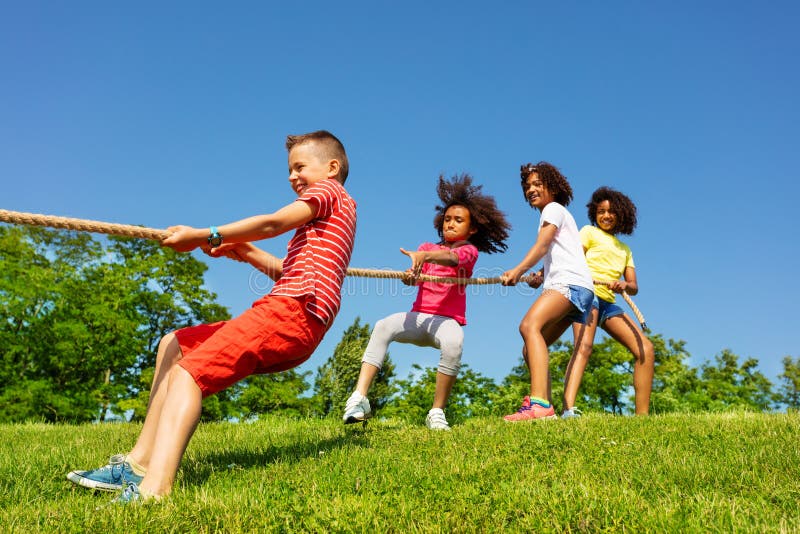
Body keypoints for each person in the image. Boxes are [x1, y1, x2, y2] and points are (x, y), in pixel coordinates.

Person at [66, 130, 356, 503]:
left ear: (331, 168)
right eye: (289, 170)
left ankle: (155, 490)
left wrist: (208, 234)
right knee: (176, 345)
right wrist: (246, 251)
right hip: (295, 315)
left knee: (188, 374)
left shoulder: (329, 193)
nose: (291, 177)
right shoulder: (327, 224)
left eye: (300, 166)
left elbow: (273, 223)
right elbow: (289, 272)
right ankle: (137, 464)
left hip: (292, 312)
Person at [343, 174, 510, 430]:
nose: (450, 224)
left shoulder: (468, 251)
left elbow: (452, 259)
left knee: (455, 342)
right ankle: (359, 398)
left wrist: (425, 256)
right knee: (383, 326)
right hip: (419, 318)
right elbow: (416, 277)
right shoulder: (426, 247)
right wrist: (411, 276)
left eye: (458, 220)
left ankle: (436, 412)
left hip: (446, 323)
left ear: (472, 228)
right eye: (447, 219)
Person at [501, 162, 594, 422]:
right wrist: (540, 276)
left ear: (552, 186)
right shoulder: (561, 214)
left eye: (537, 184)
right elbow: (560, 253)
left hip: (569, 285)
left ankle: (540, 404)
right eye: (527, 186)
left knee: (529, 326)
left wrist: (518, 269)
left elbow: (542, 246)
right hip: (578, 289)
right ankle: (547, 410)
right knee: (531, 346)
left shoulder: (552, 209)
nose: (530, 190)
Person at [561, 186, 654, 417]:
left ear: (621, 215)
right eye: (601, 211)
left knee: (646, 349)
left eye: (611, 212)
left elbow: (633, 287)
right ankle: (568, 410)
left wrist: (624, 285)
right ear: (594, 213)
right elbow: (574, 261)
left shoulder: (625, 250)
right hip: (587, 295)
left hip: (608, 303)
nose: (606, 216)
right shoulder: (588, 233)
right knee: (584, 347)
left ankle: (643, 418)